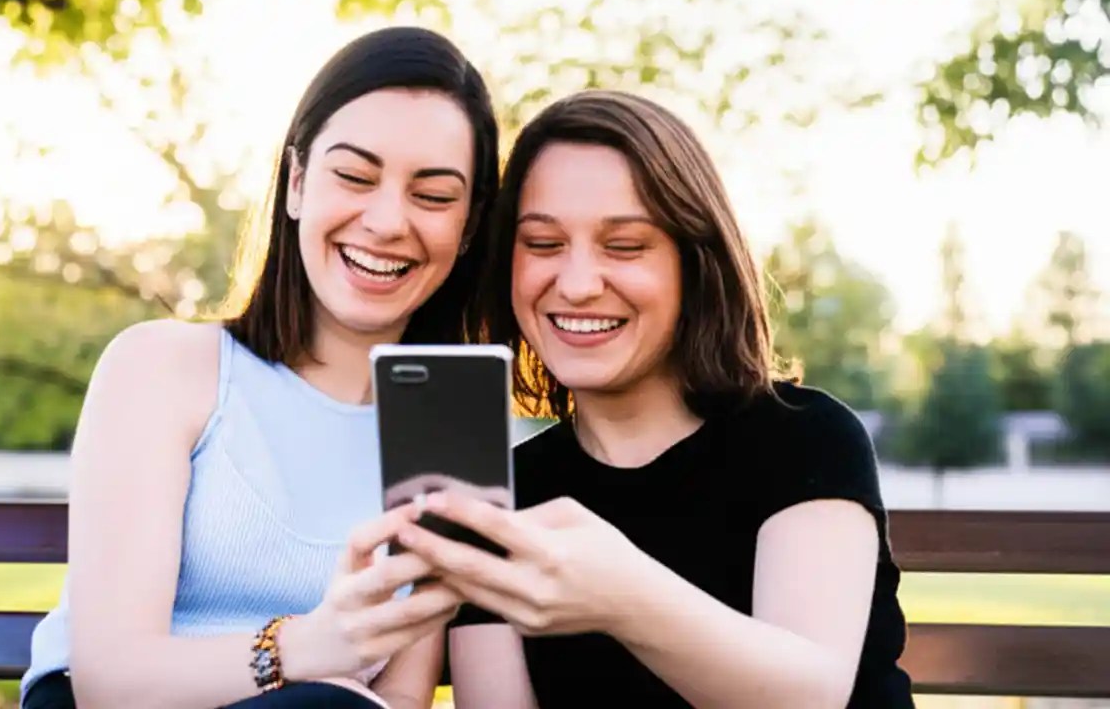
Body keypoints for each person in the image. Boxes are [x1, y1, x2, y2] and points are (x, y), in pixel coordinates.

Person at [18, 25, 500, 709]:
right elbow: (109, 682)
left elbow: (396, 701)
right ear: (297, 183)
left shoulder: (449, 435)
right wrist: (308, 649)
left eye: (433, 196)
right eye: (355, 176)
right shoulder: (165, 368)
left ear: (471, 226)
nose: (388, 221)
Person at [393, 89, 916, 708]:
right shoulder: (502, 496)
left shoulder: (805, 438)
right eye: (542, 243)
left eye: (625, 246)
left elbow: (807, 698)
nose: (579, 284)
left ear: (695, 264)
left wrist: (621, 595)